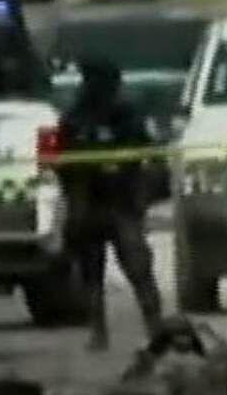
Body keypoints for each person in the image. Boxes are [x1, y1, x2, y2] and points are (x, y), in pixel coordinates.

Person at [58, 57, 164, 352]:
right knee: (91, 274)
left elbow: (151, 156)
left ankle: (155, 330)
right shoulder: (73, 119)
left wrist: (142, 194)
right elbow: (61, 165)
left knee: (139, 269)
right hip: (89, 205)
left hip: (122, 204)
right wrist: (73, 199)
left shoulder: (127, 116)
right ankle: (98, 333)